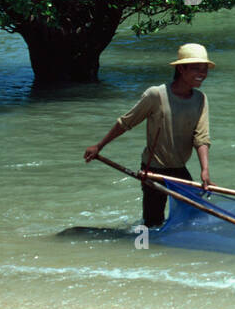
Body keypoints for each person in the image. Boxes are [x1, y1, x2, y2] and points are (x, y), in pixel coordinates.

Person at [84, 43, 213, 228]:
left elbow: (201, 137)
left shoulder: (200, 99)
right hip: (154, 169)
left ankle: (174, 254)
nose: (202, 73)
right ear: (181, 69)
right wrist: (99, 146)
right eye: (196, 69)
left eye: (205, 69)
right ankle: (143, 251)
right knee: (152, 223)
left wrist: (205, 170)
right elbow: (126, 122)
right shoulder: (156, 95)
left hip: (179, 169)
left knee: (194, 216)